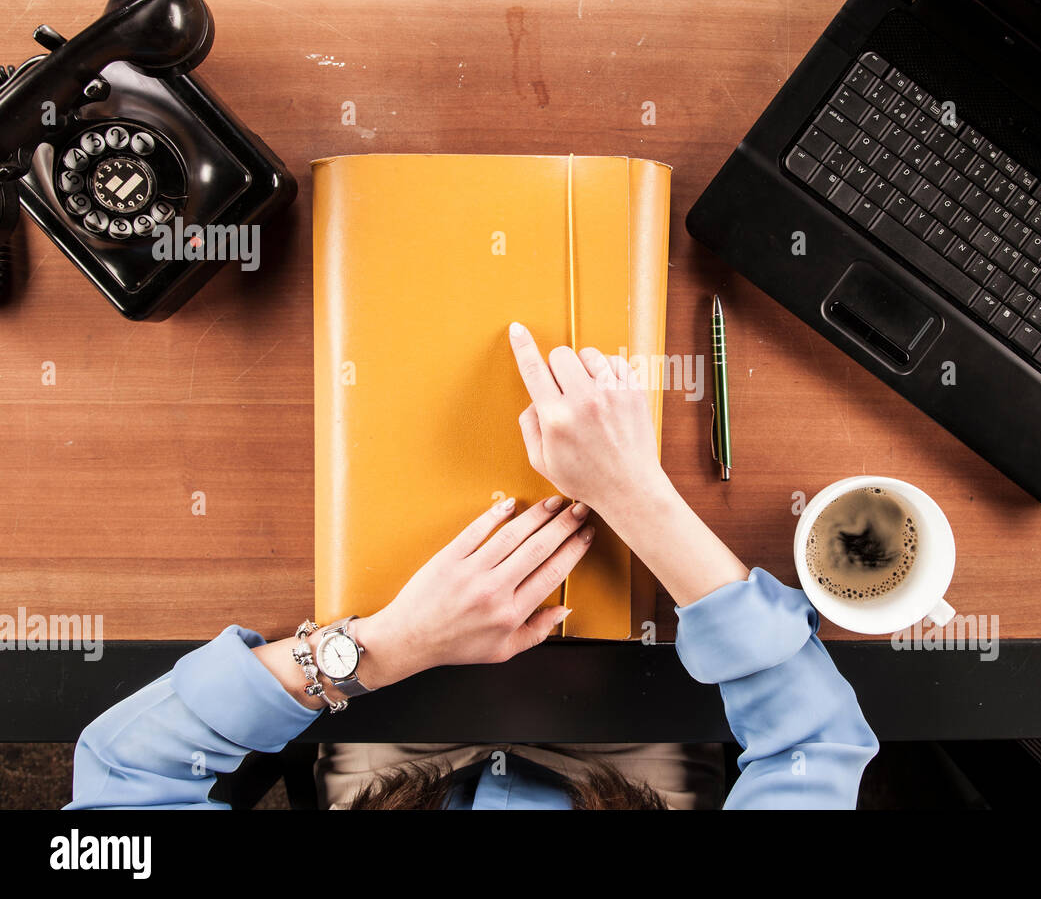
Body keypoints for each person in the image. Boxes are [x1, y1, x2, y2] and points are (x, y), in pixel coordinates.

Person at [66, 323, 877, 810]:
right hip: (643, 751)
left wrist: (377, 649)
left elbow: (127, 771)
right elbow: (813, 738)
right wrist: (636, 493)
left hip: (390, 742)